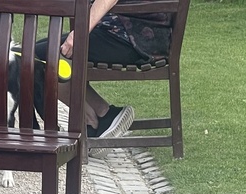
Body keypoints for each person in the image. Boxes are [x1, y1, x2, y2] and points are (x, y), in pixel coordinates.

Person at [36, 0, 172, 142]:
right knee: (34, 52)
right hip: (124, 29)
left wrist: (80, 32)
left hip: (135, 38)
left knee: (40, 58)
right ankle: (101, 117)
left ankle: (98, 117)